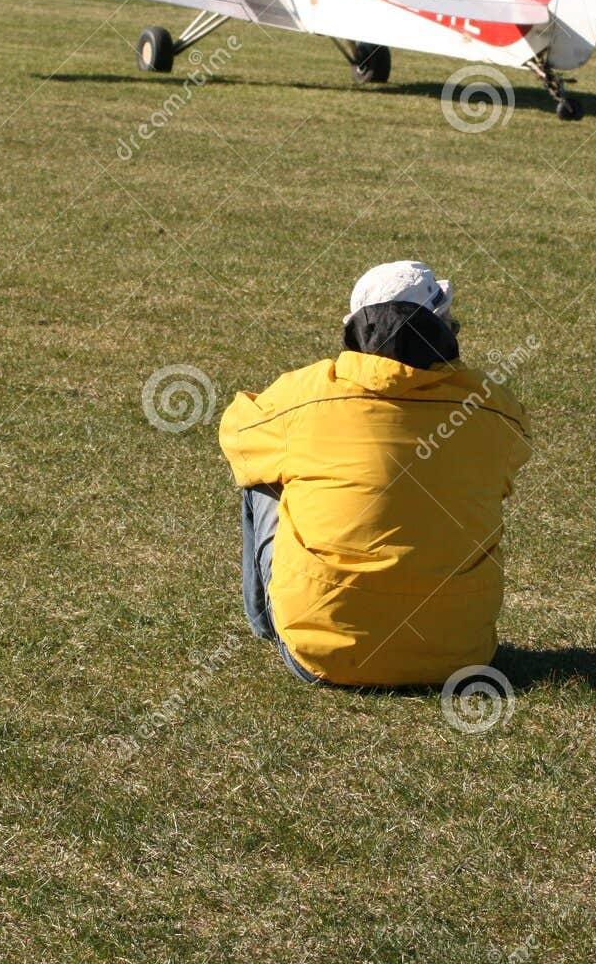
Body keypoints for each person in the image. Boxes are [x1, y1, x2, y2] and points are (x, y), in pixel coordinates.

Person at [218, 260, 532, 687]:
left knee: (264, 470)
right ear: (442, 327)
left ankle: (269, 625)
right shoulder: (492, 406)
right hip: (459, 657)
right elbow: (510, 460)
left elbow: (236, 431)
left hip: (322, 657)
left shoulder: (304, 397)